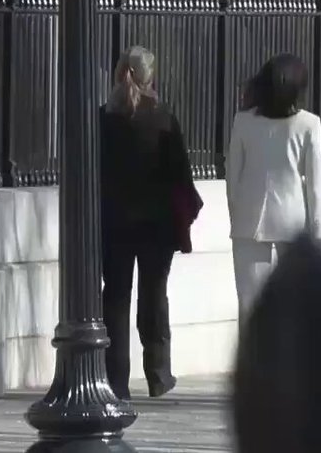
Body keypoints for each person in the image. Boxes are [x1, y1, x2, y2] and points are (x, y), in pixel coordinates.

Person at [99, 45, 198, 400]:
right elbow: (180, 173)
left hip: (114, 222)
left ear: (119, 74)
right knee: (154, 295)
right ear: (150, 77)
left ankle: (115, 378)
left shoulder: (104, 119)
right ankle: (158, 374)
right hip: (156, 223)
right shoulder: (163, 117)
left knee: (116, 297)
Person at [225, 53, 321, 321]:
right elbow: (315, 186)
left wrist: (237, 215)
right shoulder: (309, 124)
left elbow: (233, 177)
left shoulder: (243, 121)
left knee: (249, 307)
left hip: (249, 220)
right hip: (292, 222)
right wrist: (318, 233)